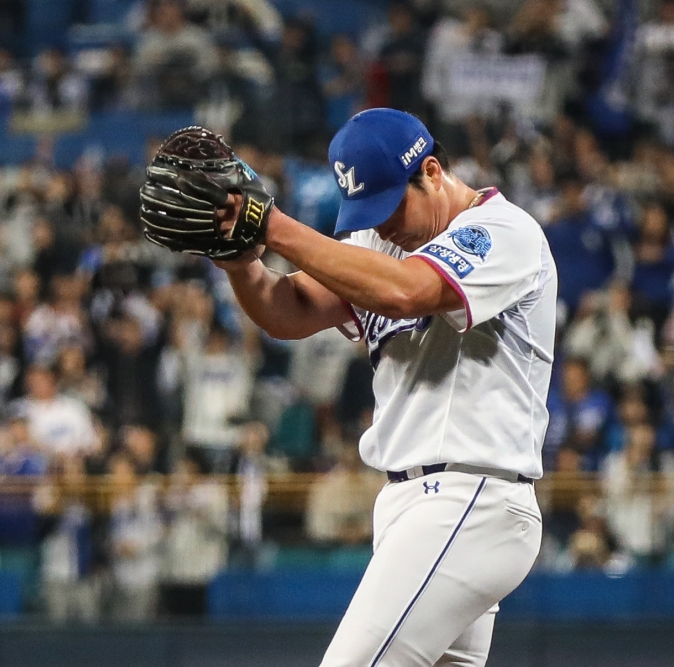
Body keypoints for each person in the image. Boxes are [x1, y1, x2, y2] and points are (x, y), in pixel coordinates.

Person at [206, 109, 556, 666]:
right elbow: (287, 310)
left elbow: (410, 292)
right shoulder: (380, 244)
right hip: (410, 505)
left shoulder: (505, 231)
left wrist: (272, 225)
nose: (383, 224)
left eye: (392, 203)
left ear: (433, 171)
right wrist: (239, 260)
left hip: (470, 499)